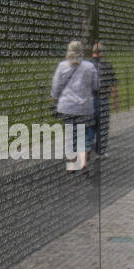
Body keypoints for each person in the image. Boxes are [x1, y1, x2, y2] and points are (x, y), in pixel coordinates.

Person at [51, 40, 98, 173]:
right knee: (82, 133)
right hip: (84, 106)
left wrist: (54, 97)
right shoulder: (89, 66)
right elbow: (96, 85)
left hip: (67, 106)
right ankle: (83, 163)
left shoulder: (62, 66)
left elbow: (56, 86)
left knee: (70, 134)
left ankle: (71, 164)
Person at [92, 41, 117, 157]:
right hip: (103, 99)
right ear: (102, 52)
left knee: (89, 126)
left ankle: (87, 148)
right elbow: (113, 85)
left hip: (88, 100)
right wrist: (116, 100)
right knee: (103, 127)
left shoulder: (86, 65)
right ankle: (100, 151)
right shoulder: (107, 65)